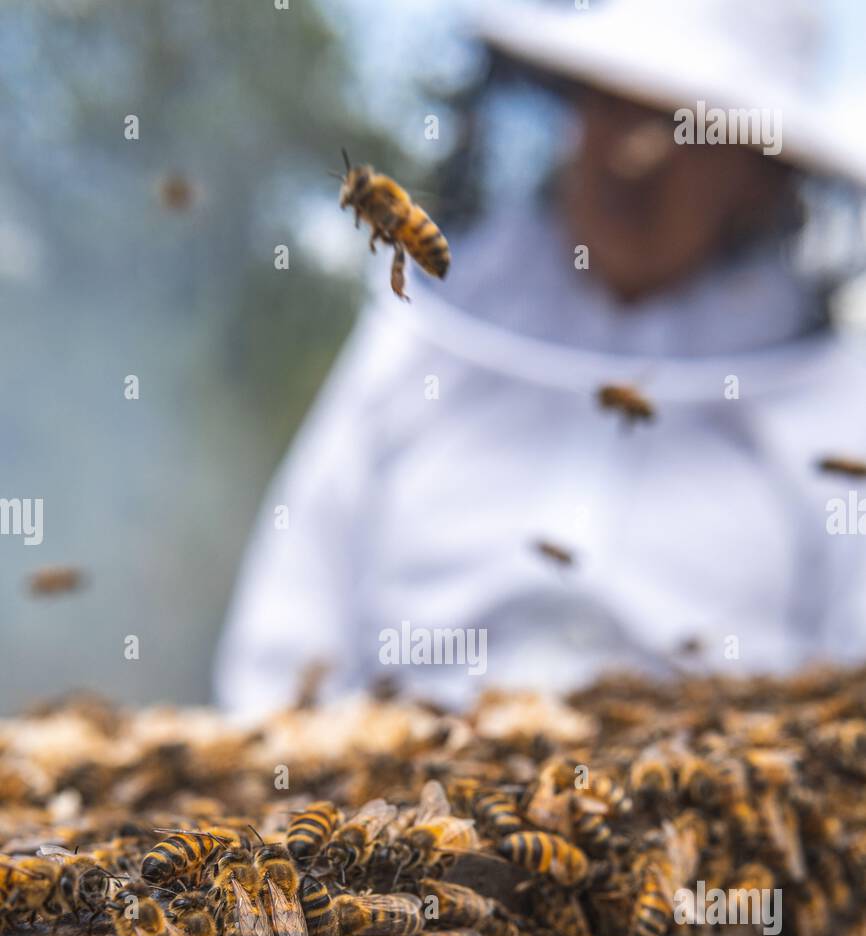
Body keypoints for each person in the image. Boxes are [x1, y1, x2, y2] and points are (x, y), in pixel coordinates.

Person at [215, 0, 866, 716]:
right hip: (388, 811)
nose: (634, 157)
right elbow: (277, 650)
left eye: (688, 126)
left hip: (701, 812)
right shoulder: (419, 345)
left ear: (763, 171)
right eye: (612, 103)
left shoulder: (836, 407)